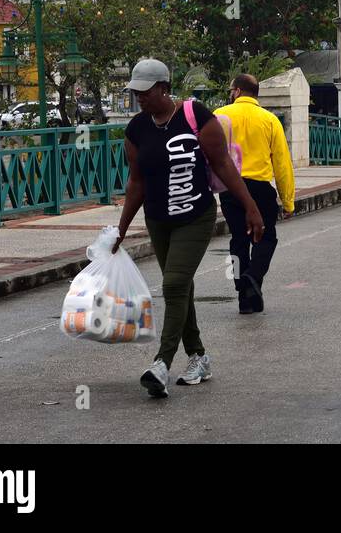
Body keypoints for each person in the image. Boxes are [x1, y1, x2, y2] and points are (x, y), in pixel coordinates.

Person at [113, 59, 264, 398]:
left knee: (175, 283)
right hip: (158, 219)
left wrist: (251, 207)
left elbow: (223, 164)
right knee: (181, 288)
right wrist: (122, 228)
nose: (139, 97)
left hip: (195, 216)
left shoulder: (196, 116)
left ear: (164, 88)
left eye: (145, 91)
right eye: (135, 91)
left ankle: (161, 363)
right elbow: (136, 182)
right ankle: (198, 356)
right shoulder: (136, 130)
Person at [213, 73, 295, 314]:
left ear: (237, 91)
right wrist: (288, 201)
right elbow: (282, 164)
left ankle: (244, 295)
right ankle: (252, 276)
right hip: (260, 188)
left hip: (230, 188)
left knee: (238, 239)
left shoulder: (219, 117)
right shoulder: (269, 120)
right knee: (265, 238)